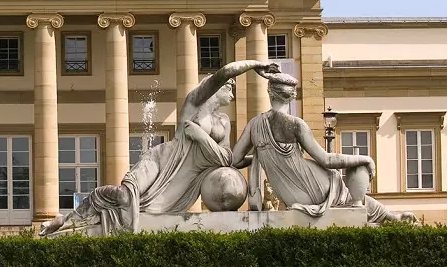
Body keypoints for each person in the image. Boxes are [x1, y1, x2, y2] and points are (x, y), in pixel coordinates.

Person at [39, 60, 280, 236]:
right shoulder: (194, 105)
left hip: (183, 182)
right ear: (220, 87)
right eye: (231, 87)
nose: (234, 94)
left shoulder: (223, 122)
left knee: (138, 209)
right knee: (124, 196)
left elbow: (228, 159)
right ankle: (64, 221)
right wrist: (255, 65)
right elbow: (225, 71)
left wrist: (260, 156)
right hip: (162, 161)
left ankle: (70, 223)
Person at [231, 70, 416, 223]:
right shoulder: (296, 125)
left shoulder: (254, 125)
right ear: (293, 96)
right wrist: (365, 158)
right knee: (345, 186)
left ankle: (390, 216)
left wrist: (263, 156)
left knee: (345, 195)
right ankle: (390, 217)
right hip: (313, 187)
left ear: (269, 92)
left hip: (289, 195)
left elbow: (236, 160)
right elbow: (327, 160)